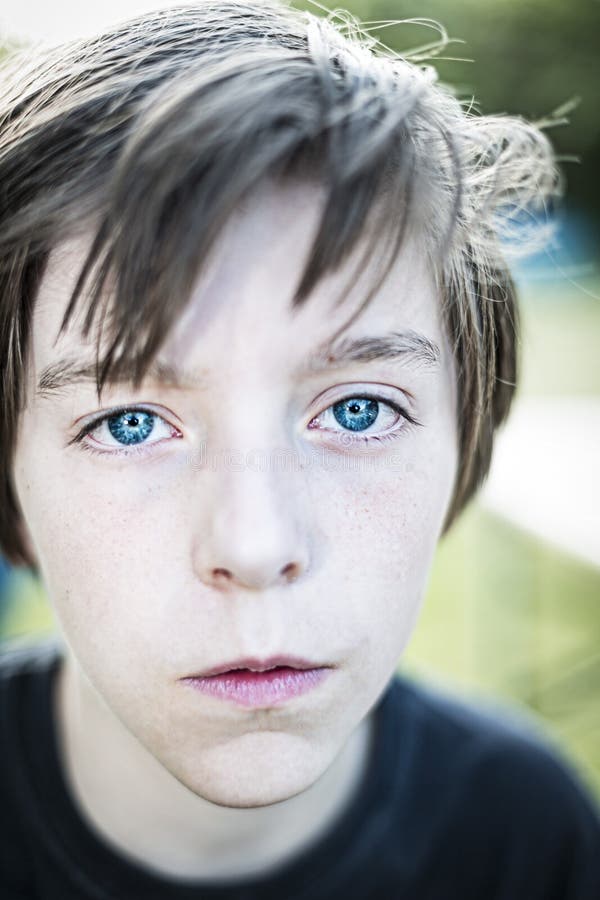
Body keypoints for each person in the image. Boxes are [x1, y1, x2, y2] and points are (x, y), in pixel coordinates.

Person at [0, 2, 598, 897]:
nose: (255, 546)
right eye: (130, 424)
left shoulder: (525, 835)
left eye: (358, 411)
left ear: (465, 442)